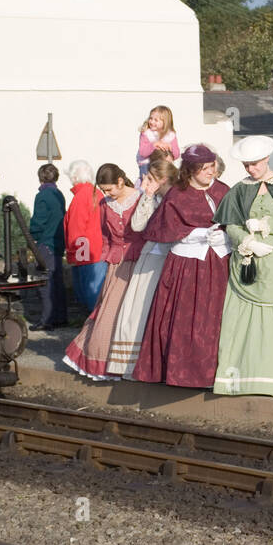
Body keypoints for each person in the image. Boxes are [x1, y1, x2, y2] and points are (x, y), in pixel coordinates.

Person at [131, 144, 230, 388]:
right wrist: (194, 234)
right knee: (186, 320)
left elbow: (236, 220)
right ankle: (181, 373)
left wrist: (227, 235)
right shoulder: (178, 194)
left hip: (218, 264)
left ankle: (213, 374)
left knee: (215, 319)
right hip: (186, 267)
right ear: (191, 170)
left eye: (212, 166)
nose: (210, 171)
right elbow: (160, 228)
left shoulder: (223, 191)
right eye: (204, 168)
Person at [212, 136, 273, 397]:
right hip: (247, 262)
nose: (251, 169)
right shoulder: (238, 189)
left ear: (267, 159)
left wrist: (269, 227)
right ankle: (242, 378)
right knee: (243, 320)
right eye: (247, 165)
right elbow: (231, 224)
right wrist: (247, 240)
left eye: (255, 164)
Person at [63, 163, 142, 379]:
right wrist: (107, 256)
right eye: (103, 190)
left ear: (120, 181)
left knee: (134, 314)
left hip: (140, 262)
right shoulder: (106, 203)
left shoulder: (140, 198)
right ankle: (105, 361)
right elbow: (105, 234)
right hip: (116, 263)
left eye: (109, 190)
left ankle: (131, 363)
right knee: (108, 311)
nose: (105, 194)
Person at [106, 150, 177, 376]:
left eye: (149, 179)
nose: (144, 182)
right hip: (149, 257)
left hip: (167, 258)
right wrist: (147, 196)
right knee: (136, 310)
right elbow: (137, 225)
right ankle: (132, 364)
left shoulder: (175, 198)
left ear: (162, 180)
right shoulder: (149, 198)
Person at [64, 160, 107, 313]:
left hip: (87, 255)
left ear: (74, 176)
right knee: (98, 297)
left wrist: (74, 256)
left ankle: (93, 333)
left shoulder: (80, 197)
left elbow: (77, 231)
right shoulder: (97, 193)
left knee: (90, 297)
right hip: (99, 251)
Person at [29, 163, 68, 330]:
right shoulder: (59, 194)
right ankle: (60, 317)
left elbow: (38, 222)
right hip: (58, 243)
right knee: (57, 282)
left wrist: (34, 238)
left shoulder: (42, 196)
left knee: (45, 283)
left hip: (46, 243)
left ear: (40, 177)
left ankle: (46, 320)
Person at [136, 105, 180, 184]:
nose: (152, 122)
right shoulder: (146, 133)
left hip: (163, 165)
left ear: (165, 122)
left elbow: (176, 155)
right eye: (151, 118)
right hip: (147, 165)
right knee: (148, 184)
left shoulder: (170, 135)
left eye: (156, 120)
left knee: (167, 181)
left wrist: (170, 147)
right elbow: (142, 152)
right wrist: (154, 145)